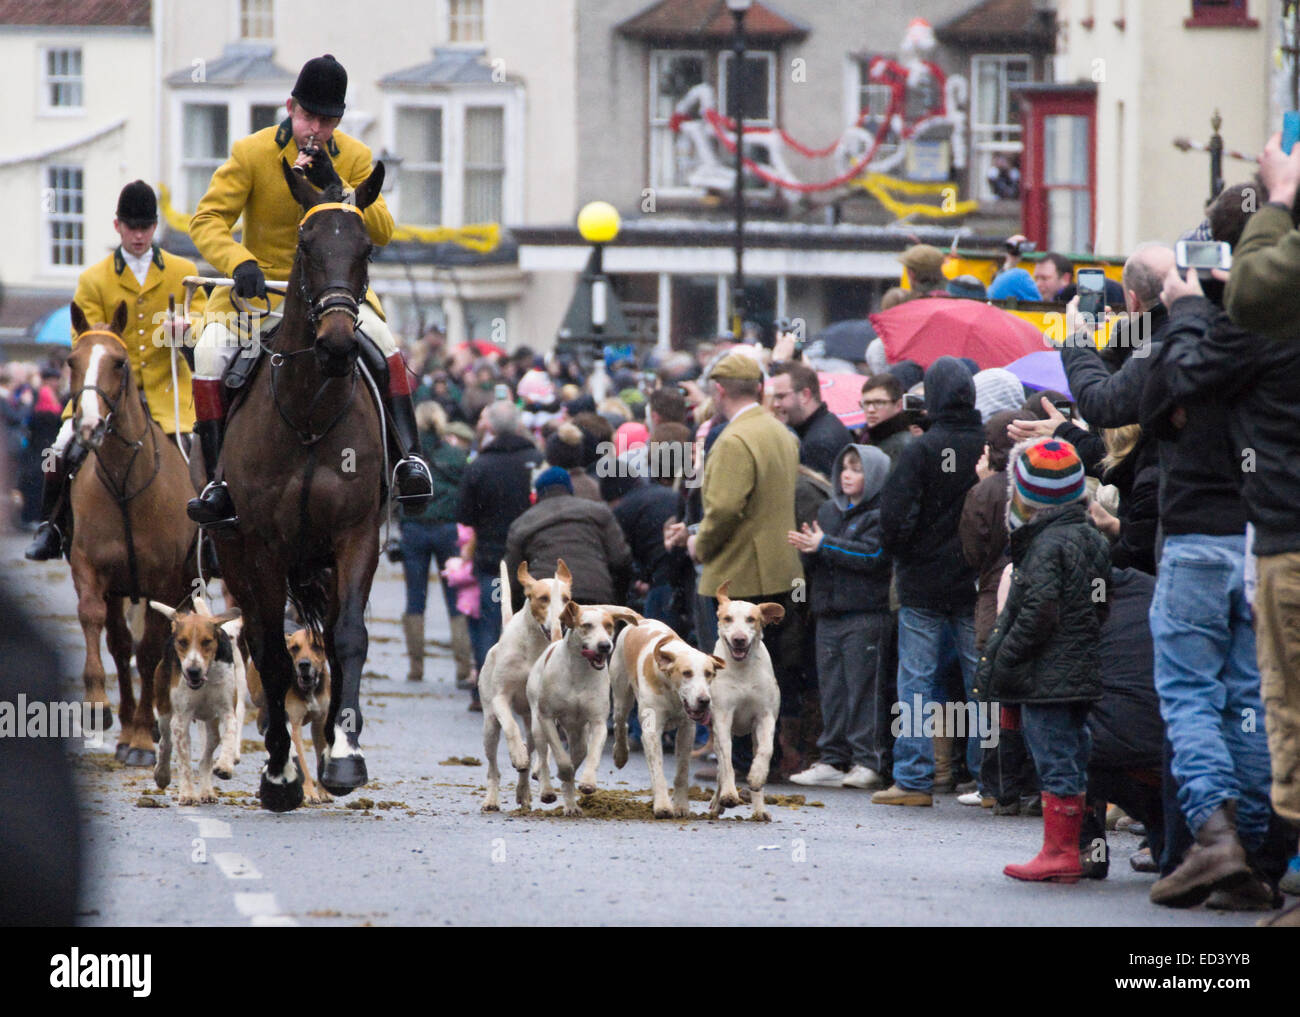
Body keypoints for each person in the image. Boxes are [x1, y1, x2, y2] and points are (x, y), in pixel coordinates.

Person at [185, 53, 432, 528]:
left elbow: (380, 231)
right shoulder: (252, 152)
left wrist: (337, 186)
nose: (314, 129)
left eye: (326, 119)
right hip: (261, 295)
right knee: (211, 353)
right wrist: (240, 262)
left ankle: (409, 460)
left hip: (334, 297)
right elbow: (207, 219)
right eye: (306, 116)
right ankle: (219, 482)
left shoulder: (355, 158)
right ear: (289, 107)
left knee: (388, 348)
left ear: (338, 120)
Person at [26, 180, 204, 560]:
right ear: (117, 226)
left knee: (207, 457)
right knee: (56, 450)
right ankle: (51, 527)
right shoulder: (94, 278)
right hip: (103, 393)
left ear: (155, 227)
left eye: (145, 227)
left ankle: (213, 539)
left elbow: (203, 315)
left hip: (167, 392)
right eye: (131, 227)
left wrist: (188, 328)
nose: (138, 235)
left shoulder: (183, 271)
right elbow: (83, 337)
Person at [977, 438, 1111, 882]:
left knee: (1054, 758)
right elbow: (1099, 604)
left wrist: (1007, 658)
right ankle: (1077, 849)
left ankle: (1059, 852)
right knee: (1074, 754)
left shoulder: (1044, 544)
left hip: (1047, 674)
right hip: (1078, 669)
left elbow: (1037, 611)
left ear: (1025, 496)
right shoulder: (1090, 536)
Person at [687, 352, 805, 774]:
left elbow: (723, 508)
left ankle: (735, 761)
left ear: (719, 391)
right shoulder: (781, 432)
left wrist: (699, 544)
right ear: (759, 388)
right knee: (771, 672)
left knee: (724, 666)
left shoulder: (734, 439)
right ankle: (773, 756)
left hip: (735, 570)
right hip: (781, 565)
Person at [875, 357, 985, 806]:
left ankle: (914, 779)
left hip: (921, 581)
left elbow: (894, 516)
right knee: (980, 678)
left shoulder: (922, 448)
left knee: (915, 681)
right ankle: (990, 778)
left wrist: (903, 551)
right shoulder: (983, 443)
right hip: (974, 579)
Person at [787, 444, 894, 790]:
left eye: (857, 468)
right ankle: (833, 757)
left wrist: (824, 546)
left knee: (864, 690)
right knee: (831, 688)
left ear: (875, 475)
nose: (847, 474)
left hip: (865, 614)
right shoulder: (828, 510)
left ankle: (868, 759)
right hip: (828, 613)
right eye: (845, 467)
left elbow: (875, 555)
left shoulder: (880, 513)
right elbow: (817, 557)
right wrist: (808, 550)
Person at [456, 400, 543, 706]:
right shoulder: (536, 460)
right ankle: (531, 689)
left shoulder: (480, 465)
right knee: (531, 625)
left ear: (490, 427)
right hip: (532, 561)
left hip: (493, 561)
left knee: (490, 626)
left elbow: (464, 514)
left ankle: (488, 689)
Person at [399, 402, 469, 684]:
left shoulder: (408, 456)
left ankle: (416, 667)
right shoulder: (455, 454)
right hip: (448, 530)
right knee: (456, 599)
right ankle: (463, 667)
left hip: (414, 528)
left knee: (415, 599)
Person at [505, 466, 632, 607]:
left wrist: (519, 609)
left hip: (547, 599)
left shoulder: (522, 523)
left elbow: (514, 577)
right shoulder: (599, 512)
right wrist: (618, 599)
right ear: (569, 488)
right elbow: (620, 559)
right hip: (594, 592)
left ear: (538, 494)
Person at [768, 361, 853, 478]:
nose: (776, 404)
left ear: (805, 395)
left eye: (781, 396)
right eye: (775, 397)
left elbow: (820, 494)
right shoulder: (826, 424)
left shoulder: (817, 444)